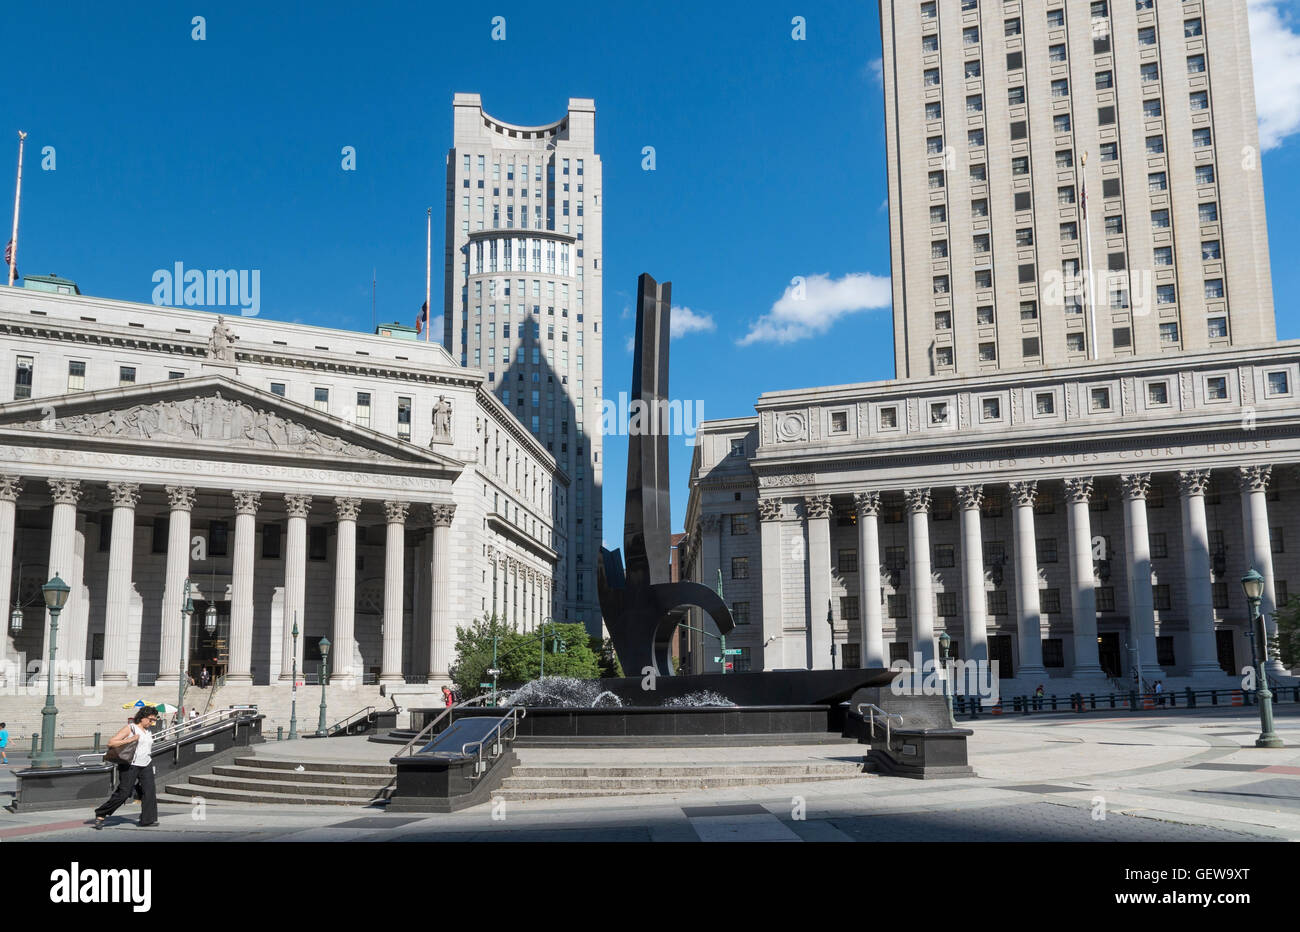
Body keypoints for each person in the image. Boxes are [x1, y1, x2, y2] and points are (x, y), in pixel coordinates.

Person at [91, 706, 160, 829]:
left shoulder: (148, 731)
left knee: (149, 792)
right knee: (124, 793)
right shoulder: (131, 728)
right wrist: (131, 739)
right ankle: (101, 814)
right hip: (130, 764)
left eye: (154, 720)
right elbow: (111, 742)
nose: (152, 723)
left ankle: (147, 820)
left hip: (146, 764)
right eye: (150, 720)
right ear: (143, 717)